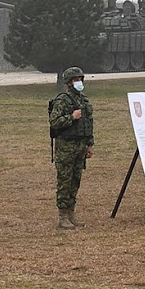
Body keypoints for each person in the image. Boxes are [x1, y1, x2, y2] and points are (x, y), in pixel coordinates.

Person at [47, 66, 93, 229]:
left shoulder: (84, 100)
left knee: (75, 181)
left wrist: (89, 144)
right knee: (64, 181)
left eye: (80, 79)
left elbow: (88, 123)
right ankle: (63, 216)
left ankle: (71, 213)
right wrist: (71, 117)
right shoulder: (62, 100)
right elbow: (54, 122)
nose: (79, 82)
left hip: (80, 146)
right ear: (68, 82)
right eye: (75, 80)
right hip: (66, 147)